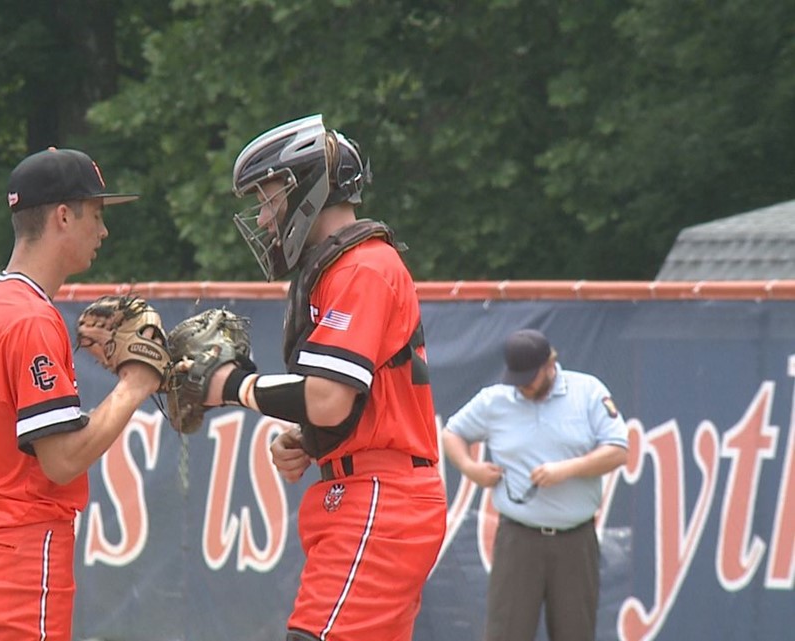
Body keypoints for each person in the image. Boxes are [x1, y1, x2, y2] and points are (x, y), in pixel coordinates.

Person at [200, 114, 447, 641]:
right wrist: (318, 441)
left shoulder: (361, 266)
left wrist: (231, 385)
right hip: (367, 491)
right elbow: (350, 405)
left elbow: (329, 398)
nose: (265, 219)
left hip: (379, 497)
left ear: (309, 186)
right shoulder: (346, 267)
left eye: (269, 199)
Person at [0, 147, 164, 640]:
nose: (103, 230)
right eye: (96, 215)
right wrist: (136, 385)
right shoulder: (31, 319)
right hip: (21, 558)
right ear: (62, 216)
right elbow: (61, 459)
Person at [441, 328, 629, 641]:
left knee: (575, 633)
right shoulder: (496, 400)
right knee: (506, 633)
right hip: (518, 539)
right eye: (518, 379)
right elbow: (452, 433)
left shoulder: (588, 392)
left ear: (549, 365)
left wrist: (567, 469)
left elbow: (618, 451)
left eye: (530, 378)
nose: (523, 387)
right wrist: (470, 468)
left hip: (575, 540)